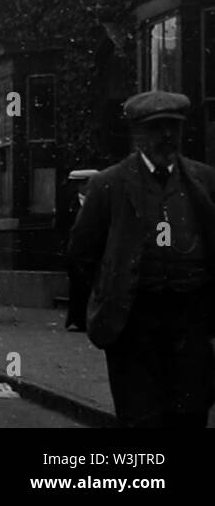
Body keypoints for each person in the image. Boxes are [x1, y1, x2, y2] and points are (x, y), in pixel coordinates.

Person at [68, 91, 215, 428]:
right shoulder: (109, 184)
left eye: (174, 127)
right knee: (141, 417)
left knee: (190, 414)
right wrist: (112, 291)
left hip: (190, 319)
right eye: (156, 127)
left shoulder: (204, 179)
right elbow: (81, 253)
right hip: (134, 322)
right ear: (137, 133)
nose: (167, 135)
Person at [57, 169, 97, 331]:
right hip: (75, 251)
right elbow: (62, 226)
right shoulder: (69, 204)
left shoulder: (99, 202)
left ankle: (91, 319)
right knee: (78, 286)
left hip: (94, 250)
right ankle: (78, 319)